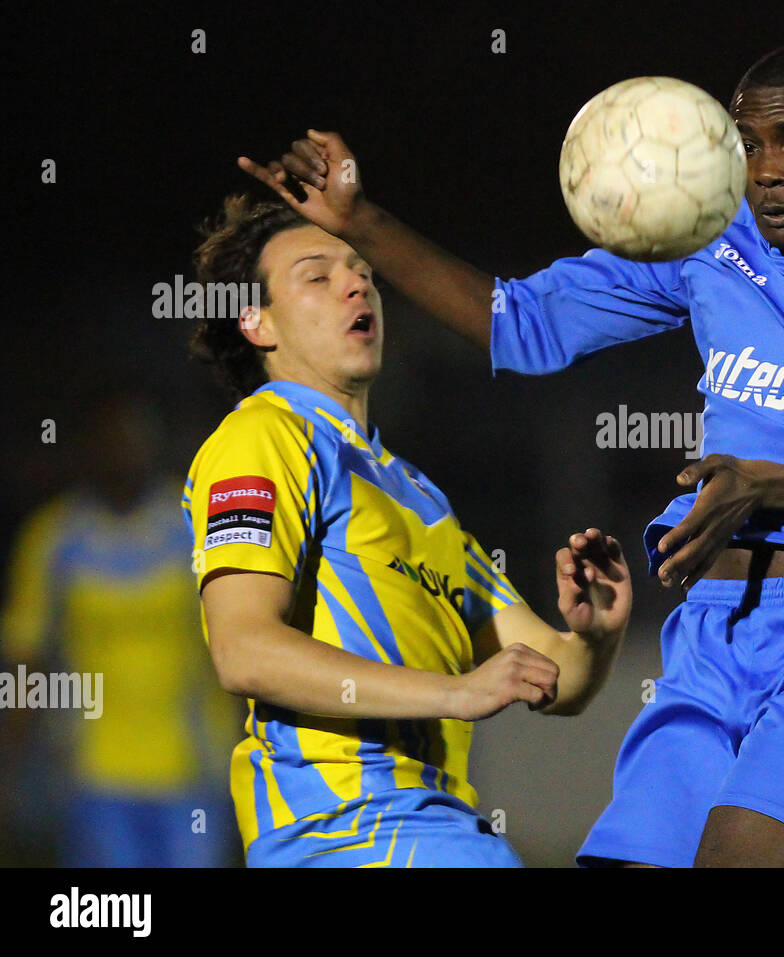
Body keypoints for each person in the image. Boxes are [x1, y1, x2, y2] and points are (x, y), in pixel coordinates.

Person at [238, 43, 784, 867]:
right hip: (715, 628)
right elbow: (521, 324)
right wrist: (361, 223)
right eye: (748, 144)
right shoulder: (713, 232)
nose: (767, 169)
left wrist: (766, 488)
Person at [184, 194, 631, 866]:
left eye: (361, 269)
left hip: (436, 829)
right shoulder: (264, 435)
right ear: (257, 322)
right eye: (317, 275)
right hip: (345, 830)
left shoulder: (415, 492)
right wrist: (456, 690)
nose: (356, 281)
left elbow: (552, 678)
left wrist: (596, 635)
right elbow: (244, 650)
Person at [0, 388, 239, 866]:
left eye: (132, 435)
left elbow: (243, 642)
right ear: (84, 447)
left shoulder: (196, 527)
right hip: (92, 775)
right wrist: (9, 764)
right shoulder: (54, 538)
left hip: (192, 768)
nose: (121, 448)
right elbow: (26, 661)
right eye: (107, 437)